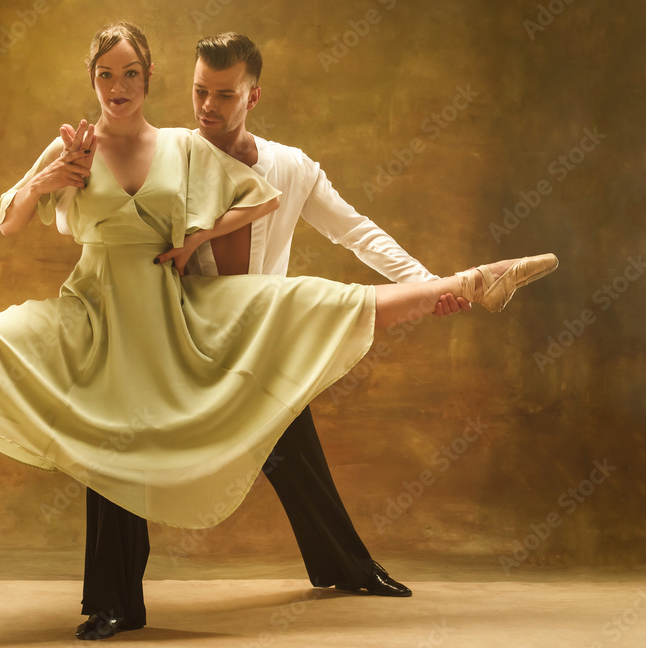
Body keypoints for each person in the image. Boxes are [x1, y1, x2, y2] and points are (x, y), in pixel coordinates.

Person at [0, 20, 557, 632]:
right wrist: (43, 178)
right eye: (106, 75)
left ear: (148, 79)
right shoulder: (75, 147)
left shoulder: (192, 152)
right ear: (94, 80)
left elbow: (264, 196)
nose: (118, 88)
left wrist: (198, 234)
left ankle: (470, 286)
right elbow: (8, 223)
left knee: (318, 301)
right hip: (94, 315)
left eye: (131, 75)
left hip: (187, 323)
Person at [75, 31, 473, 640]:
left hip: (262, 338)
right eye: (199, 91)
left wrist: (427, 284)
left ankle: (348, 568)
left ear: (253, 96)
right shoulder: (167, 157)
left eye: (224, 95)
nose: (207, 107)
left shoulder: (291, 166)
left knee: (294, 453)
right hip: (178, 336)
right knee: (121, 449)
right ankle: (114, 602)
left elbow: (356, 233)